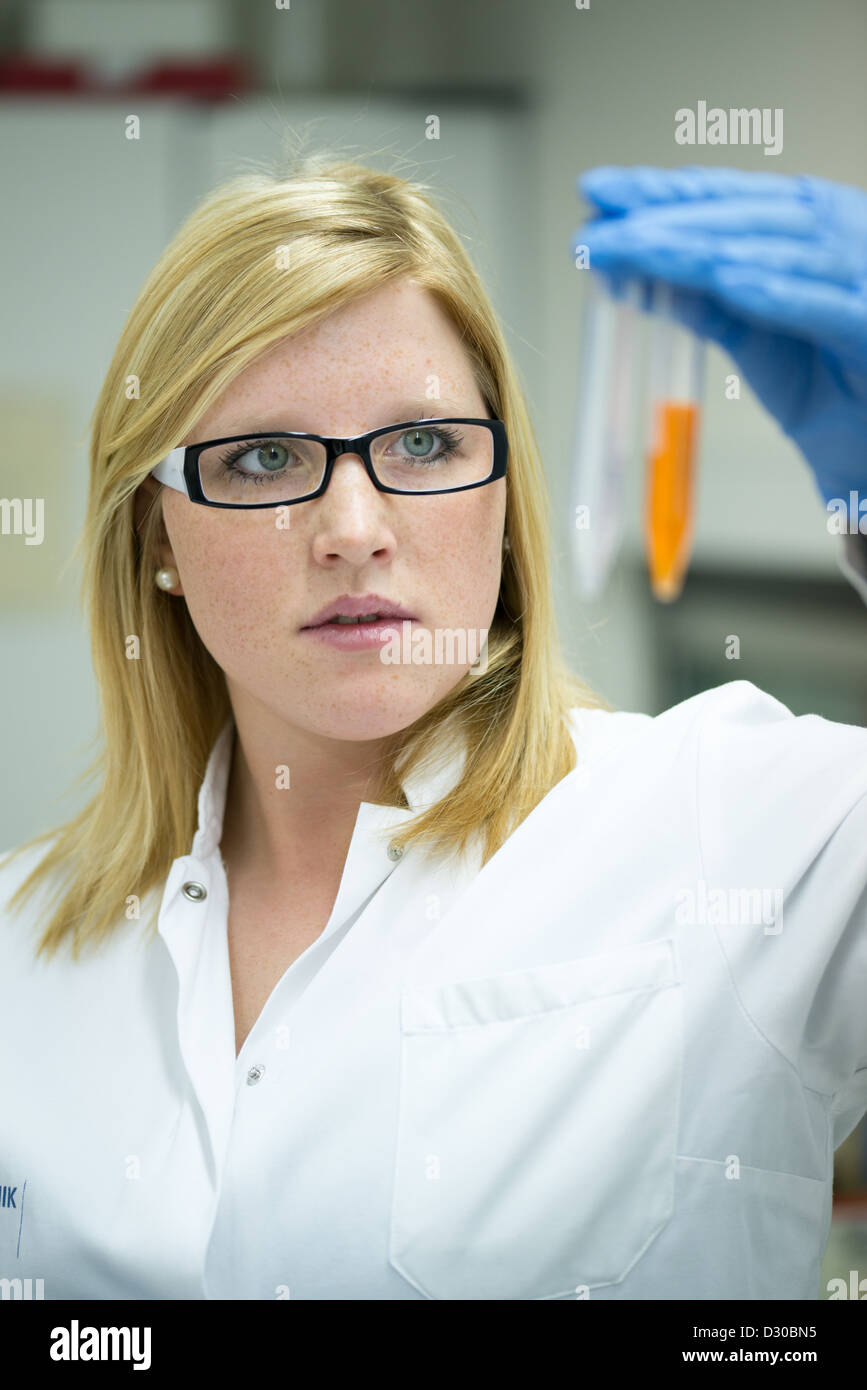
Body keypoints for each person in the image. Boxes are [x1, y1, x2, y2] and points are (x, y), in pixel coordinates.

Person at [0, 154, 865, 1302]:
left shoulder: (742, 828)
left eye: (422, 445)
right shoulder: (23, 949)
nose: (352, 529)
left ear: (502, 497)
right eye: (263, 457)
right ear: (157, 535)